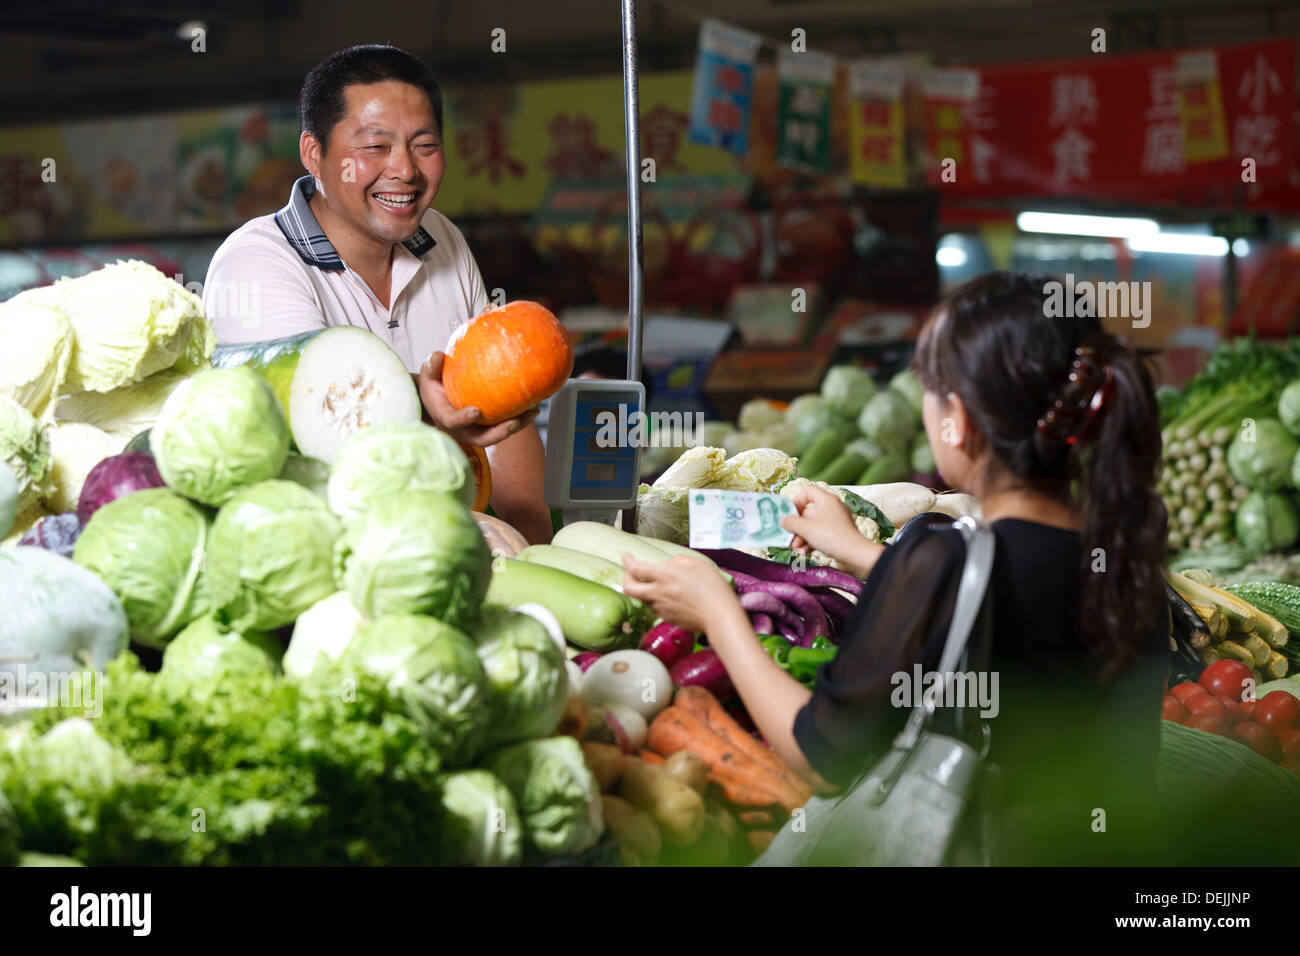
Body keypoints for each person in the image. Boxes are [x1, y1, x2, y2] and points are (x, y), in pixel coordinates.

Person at [622, 272, 1171, 864]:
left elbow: (821, 756)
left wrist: (719, 613)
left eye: (929, 390)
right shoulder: (1126, 557)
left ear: (956, 419)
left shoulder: (943, 559)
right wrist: (859, 552)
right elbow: (1000, 610)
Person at [202, 44, 552, 543]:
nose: (405, 170)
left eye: (424, 145)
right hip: (316, 547)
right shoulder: (255, 264)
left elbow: (504, 397)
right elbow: (321, 410)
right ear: (314, 154)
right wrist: (429, 400)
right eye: (374, 147)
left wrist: (534, 547)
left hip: (444, 535)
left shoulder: (442, 238)